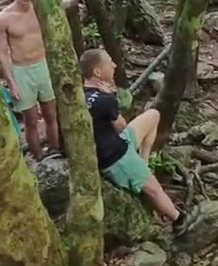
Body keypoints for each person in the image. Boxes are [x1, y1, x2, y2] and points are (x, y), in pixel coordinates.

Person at [81, 48, 198, 235]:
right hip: (115, 158)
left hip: (115, 143)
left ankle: (143, 163)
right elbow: (121, 125)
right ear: (97, 72)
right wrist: (111, 97)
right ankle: (178, 219)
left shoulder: (81, 94)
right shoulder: (104, 99)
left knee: (153, 115)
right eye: (109, 62)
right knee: (153, 188)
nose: (114, 65)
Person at [0, 0, 85, 160]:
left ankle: (55, 150)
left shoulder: (39, 8)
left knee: (51, 114)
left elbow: (70, 1)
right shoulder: (3, 19)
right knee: (31, 120)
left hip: (42, 66)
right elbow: (2, 53)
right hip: (21, 70)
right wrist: (11, 83)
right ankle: (38, 156)